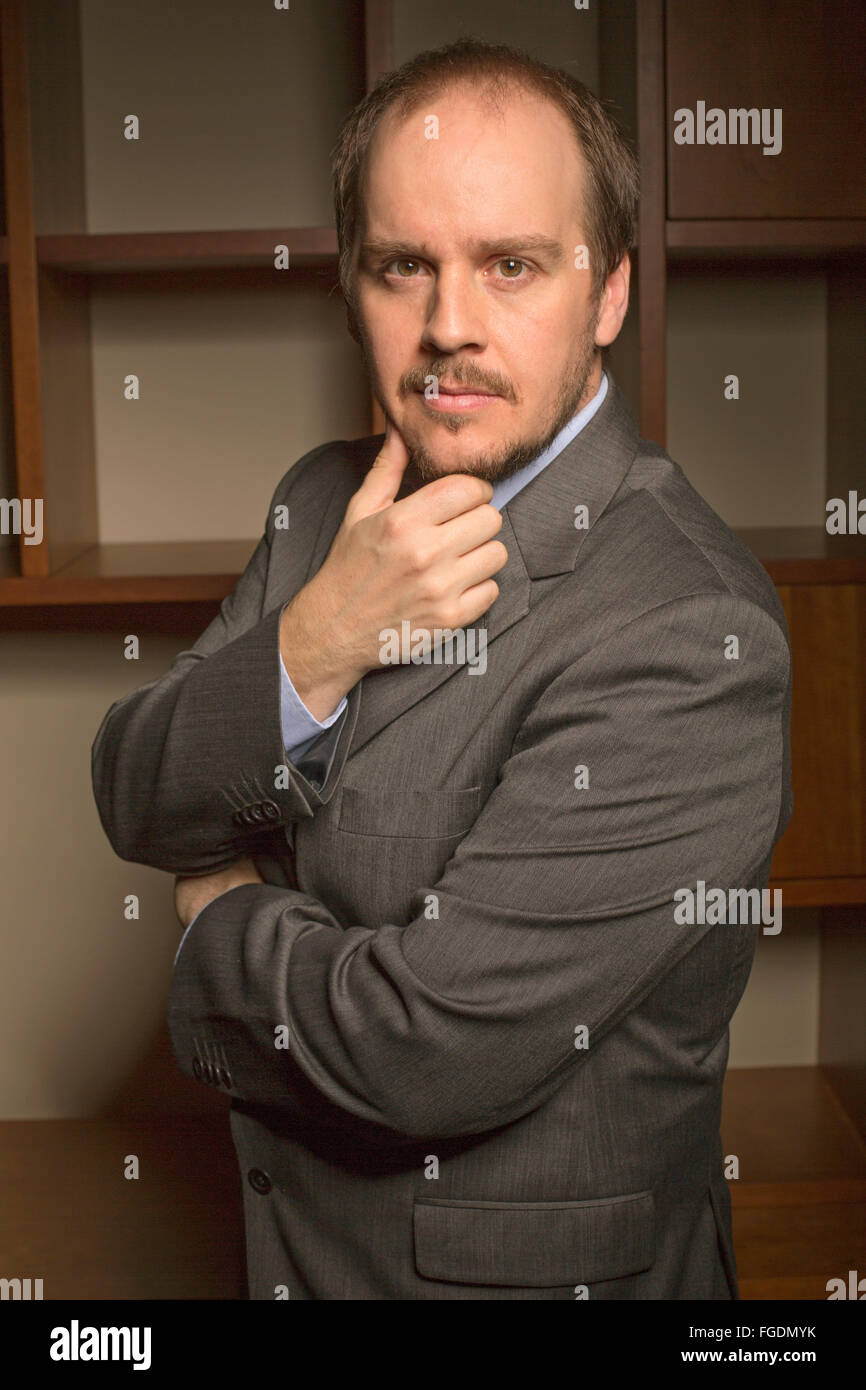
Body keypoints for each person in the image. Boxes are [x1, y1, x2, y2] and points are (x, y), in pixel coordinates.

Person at [92, 38, 792, 1300]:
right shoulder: (320, 502)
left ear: (609, 292)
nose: (448, 327)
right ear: (350, 285)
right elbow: (137, 795)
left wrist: (221, 921)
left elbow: (420, 1054)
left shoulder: (690, 632)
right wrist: (314, 642)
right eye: (401, 267)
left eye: (510, 265)